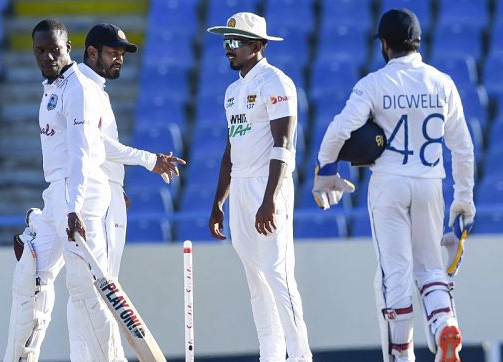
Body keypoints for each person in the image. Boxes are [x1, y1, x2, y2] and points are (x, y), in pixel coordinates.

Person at [311, 8, 475, 362]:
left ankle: (401, 356)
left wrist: (325, 172)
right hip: (430, 184)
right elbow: (462, 147)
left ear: (384, 44)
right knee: (431, 268)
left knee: (395, 274)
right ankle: (444, 322)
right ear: (417, 42)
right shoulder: (442, 82)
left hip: (389, 184)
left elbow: (340, 129)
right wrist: (463, 200)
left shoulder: (373, 84)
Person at [3, 19, 120, 362]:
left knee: (85, 289)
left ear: (68, 48)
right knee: (30, 276)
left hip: (77, 195)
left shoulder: (78, 88)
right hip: (56, 194)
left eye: (55, 50)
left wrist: (74, 208)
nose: (48, 57)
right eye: (41, 51)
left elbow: (84, 153)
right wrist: (56, 209)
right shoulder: (52, 87)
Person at [207, 12, 313, 362]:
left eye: (235, 42)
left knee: (277, 275)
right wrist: (218, 202)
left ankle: (300, 356)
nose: (228, 48)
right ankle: (271, 356)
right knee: (256, 282)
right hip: (239, 189)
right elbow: (230, 150)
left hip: (269, 189)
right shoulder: (232, 91)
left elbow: (284, 145)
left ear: (258, 46)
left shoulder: (277, 83)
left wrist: (269, 200)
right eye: (226, 41)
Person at [78, 23, 186, 278]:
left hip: (105, 189)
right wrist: (150, 160)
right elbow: (96, 143)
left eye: (122, 54)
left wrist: (115, 183)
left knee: (102, 281)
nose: (119, 59)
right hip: (95, 195)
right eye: (113, 52)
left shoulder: (93, 87)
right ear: (92, 53)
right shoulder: (83, 88)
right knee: (98, 282)